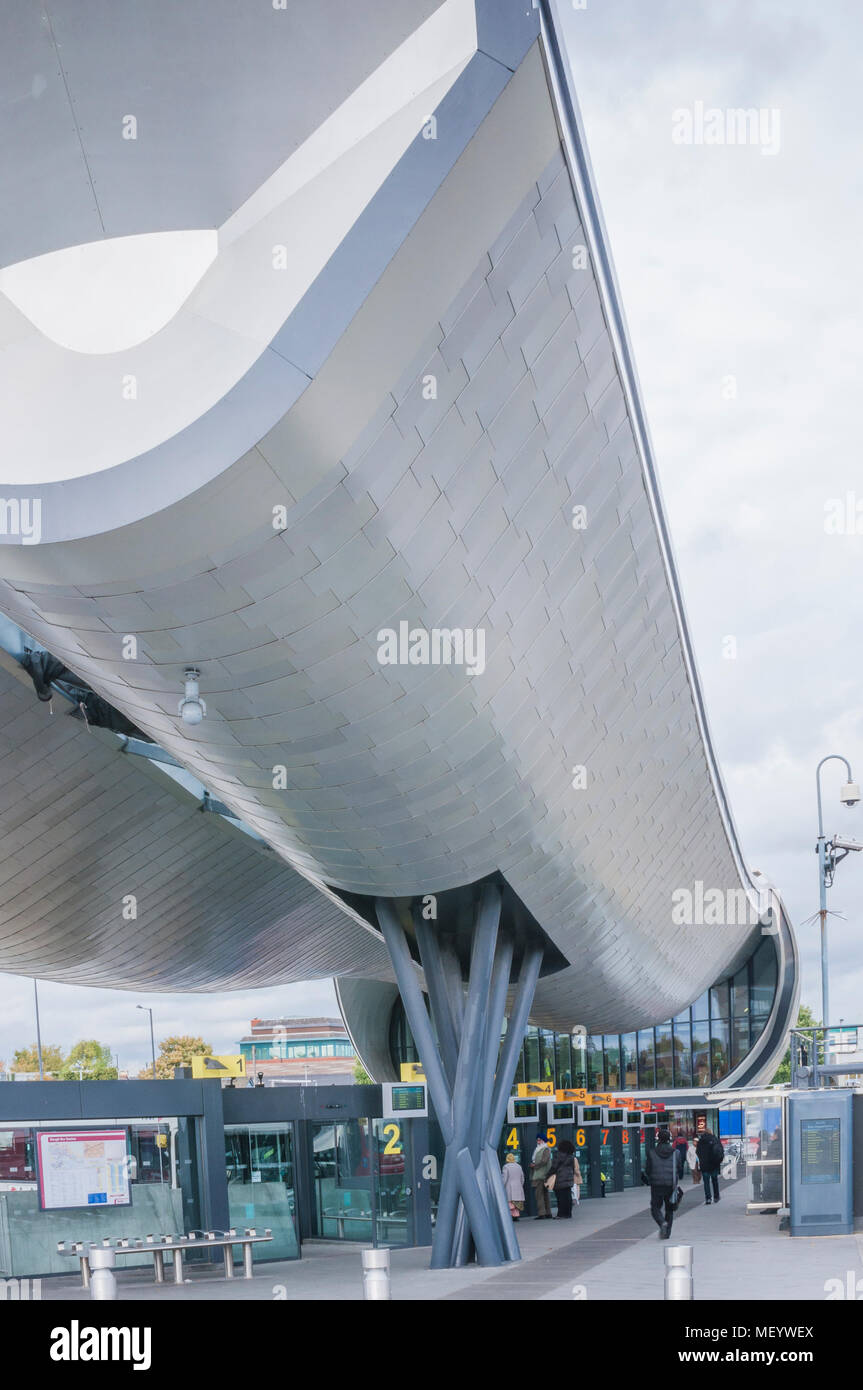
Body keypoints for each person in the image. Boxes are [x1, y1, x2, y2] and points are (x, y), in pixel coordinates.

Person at [645, 1126, 682, 1239]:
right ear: (669, 1139)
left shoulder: (651, 1153)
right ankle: (667, 1233)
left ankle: (662, 1223)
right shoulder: (676, 1153)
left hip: (656, 1185)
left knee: (655, 1207)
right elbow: (679, 1168)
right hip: (671, 1185)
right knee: (669, 1209)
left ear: (658, 1139)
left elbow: (648, 1170)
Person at [696, 1127, 724, 1204]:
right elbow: (720, 1151)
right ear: (711, 1132)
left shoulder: (701, 1141)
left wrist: (702, 1160)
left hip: (704, 1165)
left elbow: (697, 1152)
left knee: (706, 1182)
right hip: (714, 1164)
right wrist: (718, 1161)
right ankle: (716, 1196)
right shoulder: (715, 1139)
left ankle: (708, 1198)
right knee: (715, 1181)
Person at [549, 1139, 576, 1218]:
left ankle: (561, 1214)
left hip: (560, 1179)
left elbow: (554, 1167)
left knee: (560, 1198)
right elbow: (573, 1168)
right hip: (569, 1178)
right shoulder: (571, 1157)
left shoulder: (558, 1155)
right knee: (568, 1197)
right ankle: (568, 1213)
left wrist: (548, 1175)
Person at [530, 1133, 553, 1218]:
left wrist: (534, 1166)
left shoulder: (545, 1149)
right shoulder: (540, 1149)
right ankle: (547, 1213)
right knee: (544, 1194)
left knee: (539, 1195)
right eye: (537, 1140)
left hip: (541, 1175)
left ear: (543, 1140)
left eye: (539, 1140)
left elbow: (544, 1161)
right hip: (542, 1175)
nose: (538, 1141)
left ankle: (542, 1214)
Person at [501, 1152, 525, 1220]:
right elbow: (522, 1178)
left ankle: (511, 1216)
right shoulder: (519, 1166)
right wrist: (520, 1185)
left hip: (510, 1188)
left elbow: (504, 1178)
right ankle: (516, 1216)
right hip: (518, 1187)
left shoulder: (506, 1167)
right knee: (516, 1203)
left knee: (510, 1203)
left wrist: (502, 1186)